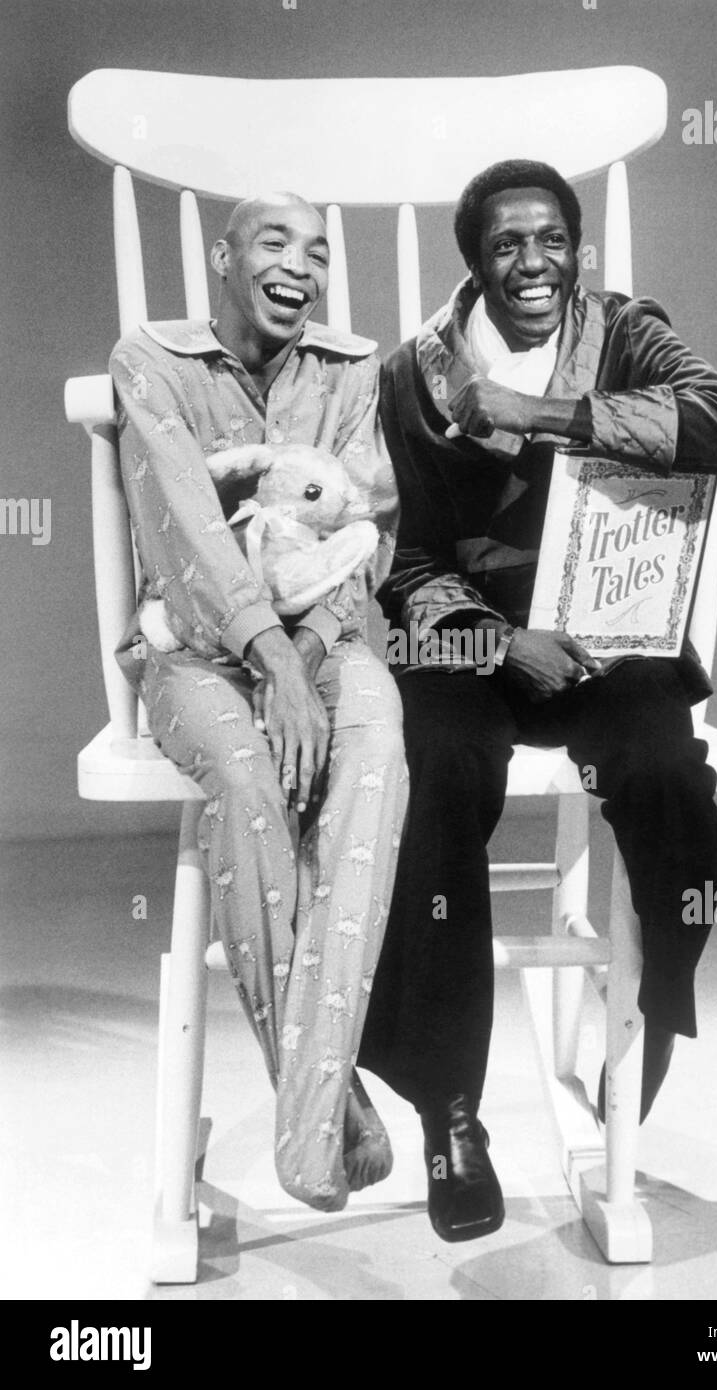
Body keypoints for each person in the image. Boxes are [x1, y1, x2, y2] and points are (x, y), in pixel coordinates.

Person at [358, 159, 717, 1242]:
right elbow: (404, 555)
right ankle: (451, 1110)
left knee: (667, 770)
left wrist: (543, 411)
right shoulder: (412, 377)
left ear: (576, 251)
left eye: (550, 239)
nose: (530, 261)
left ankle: (652, 1006)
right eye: (505, 244)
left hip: (615, 639)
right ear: (476, 262)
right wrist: (500, 640)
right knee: (434, 773)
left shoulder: (625, 332)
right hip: (476, 649)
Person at [109, 192, 408, 1213]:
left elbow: (372, 531)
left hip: (324, 638)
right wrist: (270, 659)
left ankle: (305, 1117)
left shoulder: (348, 368)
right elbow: (187, 525)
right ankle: (329, 1111)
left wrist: (314, 649)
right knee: (248, 778)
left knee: (375, 749)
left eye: (318, 251)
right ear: (225, 257)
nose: (302, 266)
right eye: (275, 243)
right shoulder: (151, 359)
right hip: (198, 649)